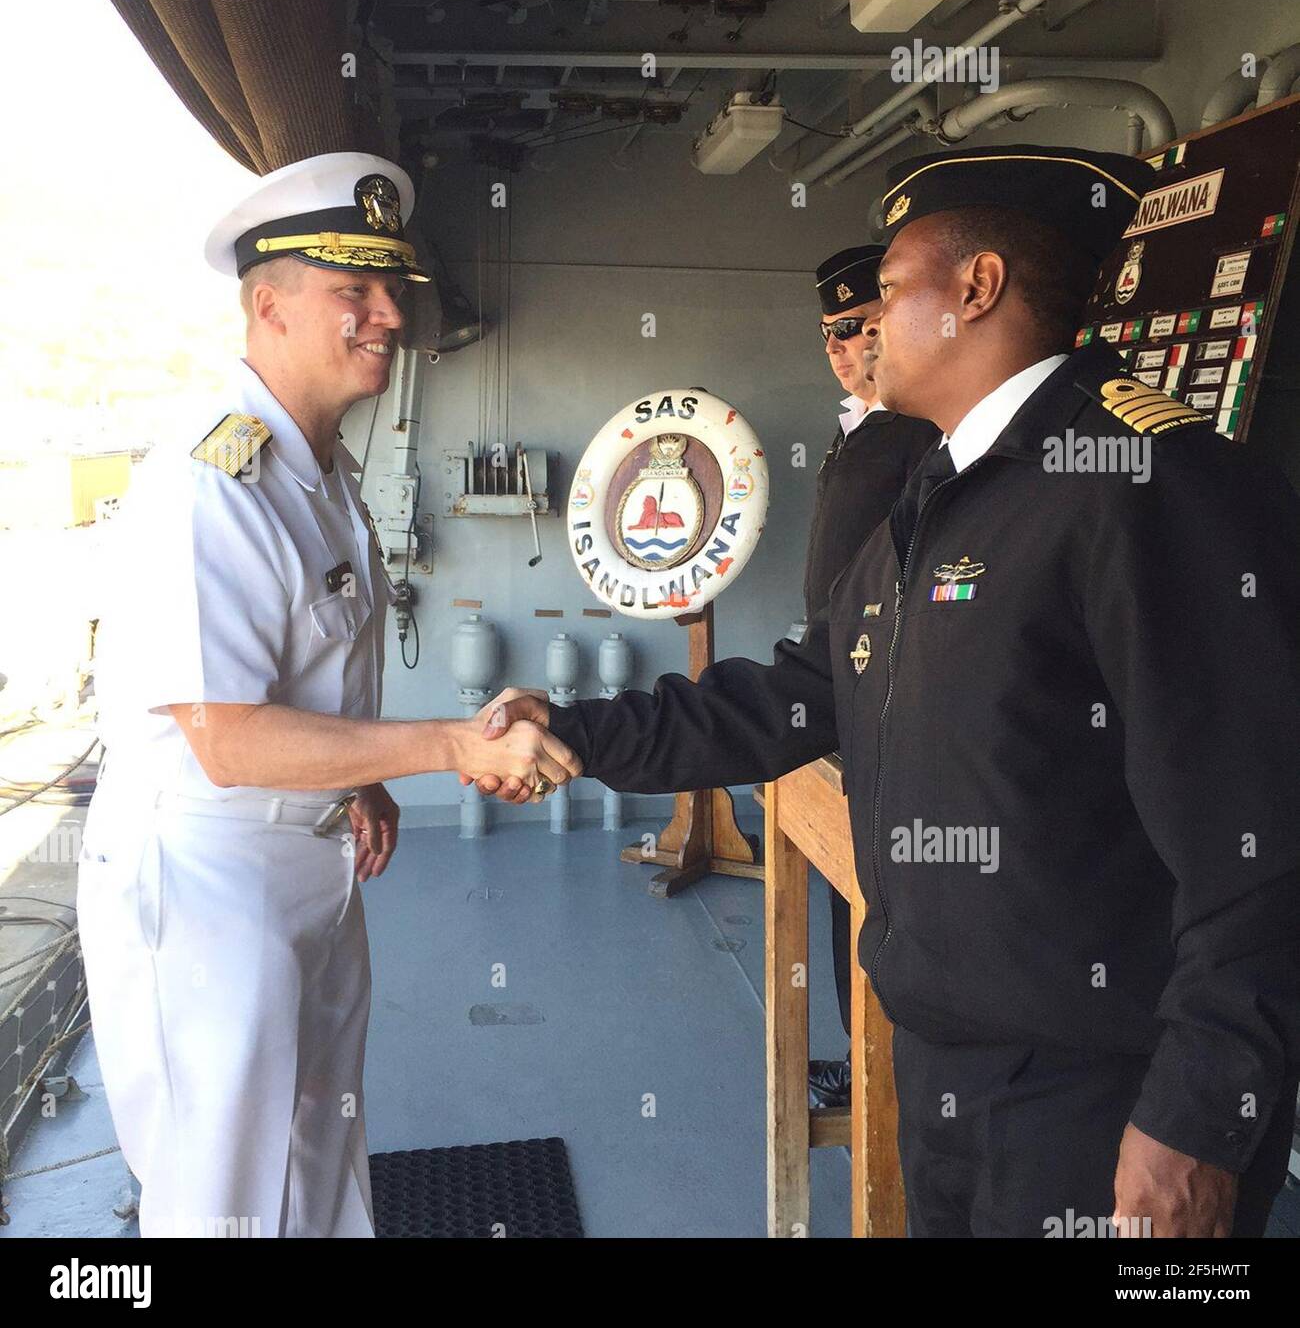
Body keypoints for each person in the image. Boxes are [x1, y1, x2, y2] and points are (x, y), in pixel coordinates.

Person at [469, 145, 1300, 1237]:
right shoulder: (940, 482)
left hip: (1099, 1095)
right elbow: (796, 693)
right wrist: (571, 728)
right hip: (943, 1062)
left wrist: (1198, 1118)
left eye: (892, 289)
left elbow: (1257, 832)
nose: (868, 321)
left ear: (976, 289)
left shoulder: (1146, 485)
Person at [78, 151, 578, 1238]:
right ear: (268, 305)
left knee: (317, 1150)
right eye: (353, 290)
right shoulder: (214, 484)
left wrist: (363, 781)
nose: (389, 315)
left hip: (309, 865)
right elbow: (228, 738)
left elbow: (309, 674)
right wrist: (447, 746)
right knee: (220, 1191)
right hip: (209, 878)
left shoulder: (324, 468)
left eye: (389, 288)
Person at [806, 246, 936, 1107]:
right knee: (843, 893)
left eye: (857, 329)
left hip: (884, 705)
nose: (842, 348)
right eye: (830, 333)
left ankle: (880, 1081)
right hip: (841, 693)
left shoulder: (911, 434)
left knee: (877, 908)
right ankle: (863, 1064)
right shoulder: (864, 428)